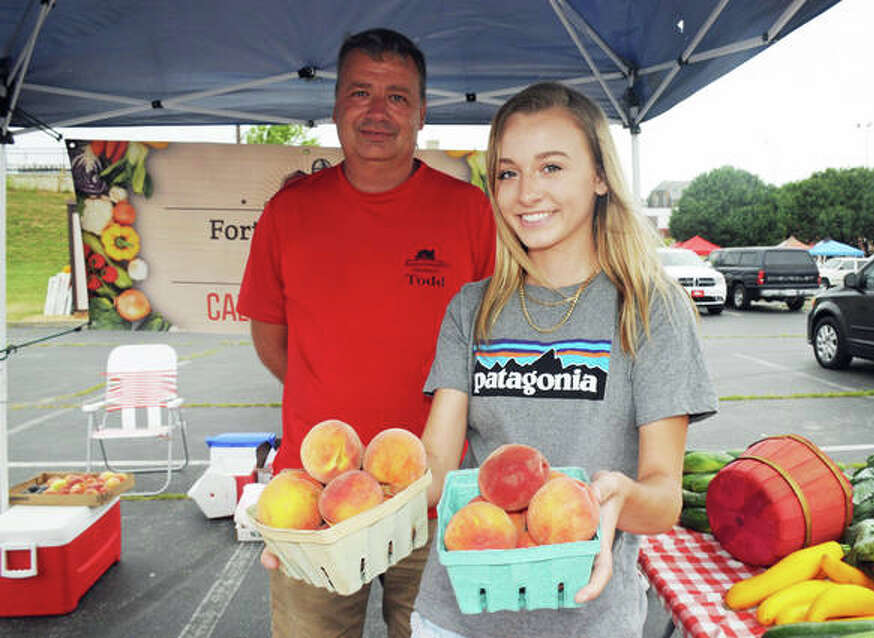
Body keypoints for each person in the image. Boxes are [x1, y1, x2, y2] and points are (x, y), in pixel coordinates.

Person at [410, 82, 719, 637]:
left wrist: (619, 497)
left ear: (600, 177)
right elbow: (433, 469)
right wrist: (348, 508)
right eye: (508, 173)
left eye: (551, 167)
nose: (526, 192)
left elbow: (663, 498)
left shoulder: (649, 308)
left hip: (588, 617)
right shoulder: (471, 308)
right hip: (458, 615)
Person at [238, 28, 497, 638]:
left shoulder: (469, 212)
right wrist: (331, 393)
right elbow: (272, 339)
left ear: (422, 113)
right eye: (360, 92)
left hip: (436, 498)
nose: (378, 111)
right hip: (315, 500)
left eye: (397, 97)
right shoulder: (289, 212)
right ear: (334, 107)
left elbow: (495, 340)